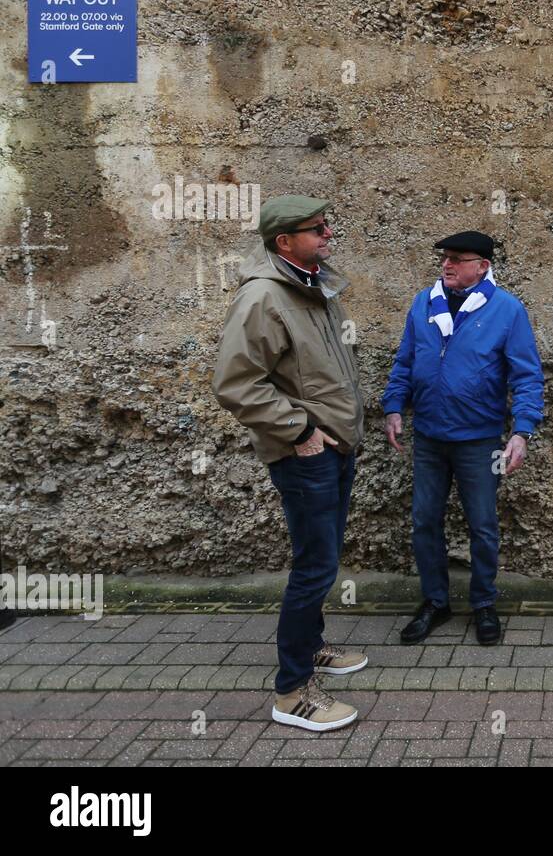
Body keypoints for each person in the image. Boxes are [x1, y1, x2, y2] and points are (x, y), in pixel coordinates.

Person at [212, 195, 367, 733]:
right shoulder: (263, 298)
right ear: (284, 242)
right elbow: (235, 383)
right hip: (306, 455)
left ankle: (313, 645)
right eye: (316, 229)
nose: (328, 235)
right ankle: (293, 691)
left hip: (335, 449)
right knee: (314, 568)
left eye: (328, 225)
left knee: (319, 559)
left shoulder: (315, 287)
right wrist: (300, 431)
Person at [382, 231, 544, 646]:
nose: (447, 265)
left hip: (481, 440)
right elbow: (405, 359)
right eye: (444, 259)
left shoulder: (506, 310)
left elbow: (526, 376)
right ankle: (435, 603)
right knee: (424, 523)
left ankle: (484, 604)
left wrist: (521, 431)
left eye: (457, 258)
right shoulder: (425, 302)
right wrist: (394, 406)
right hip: (431, 437)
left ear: (483, 266)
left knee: (483, 526)